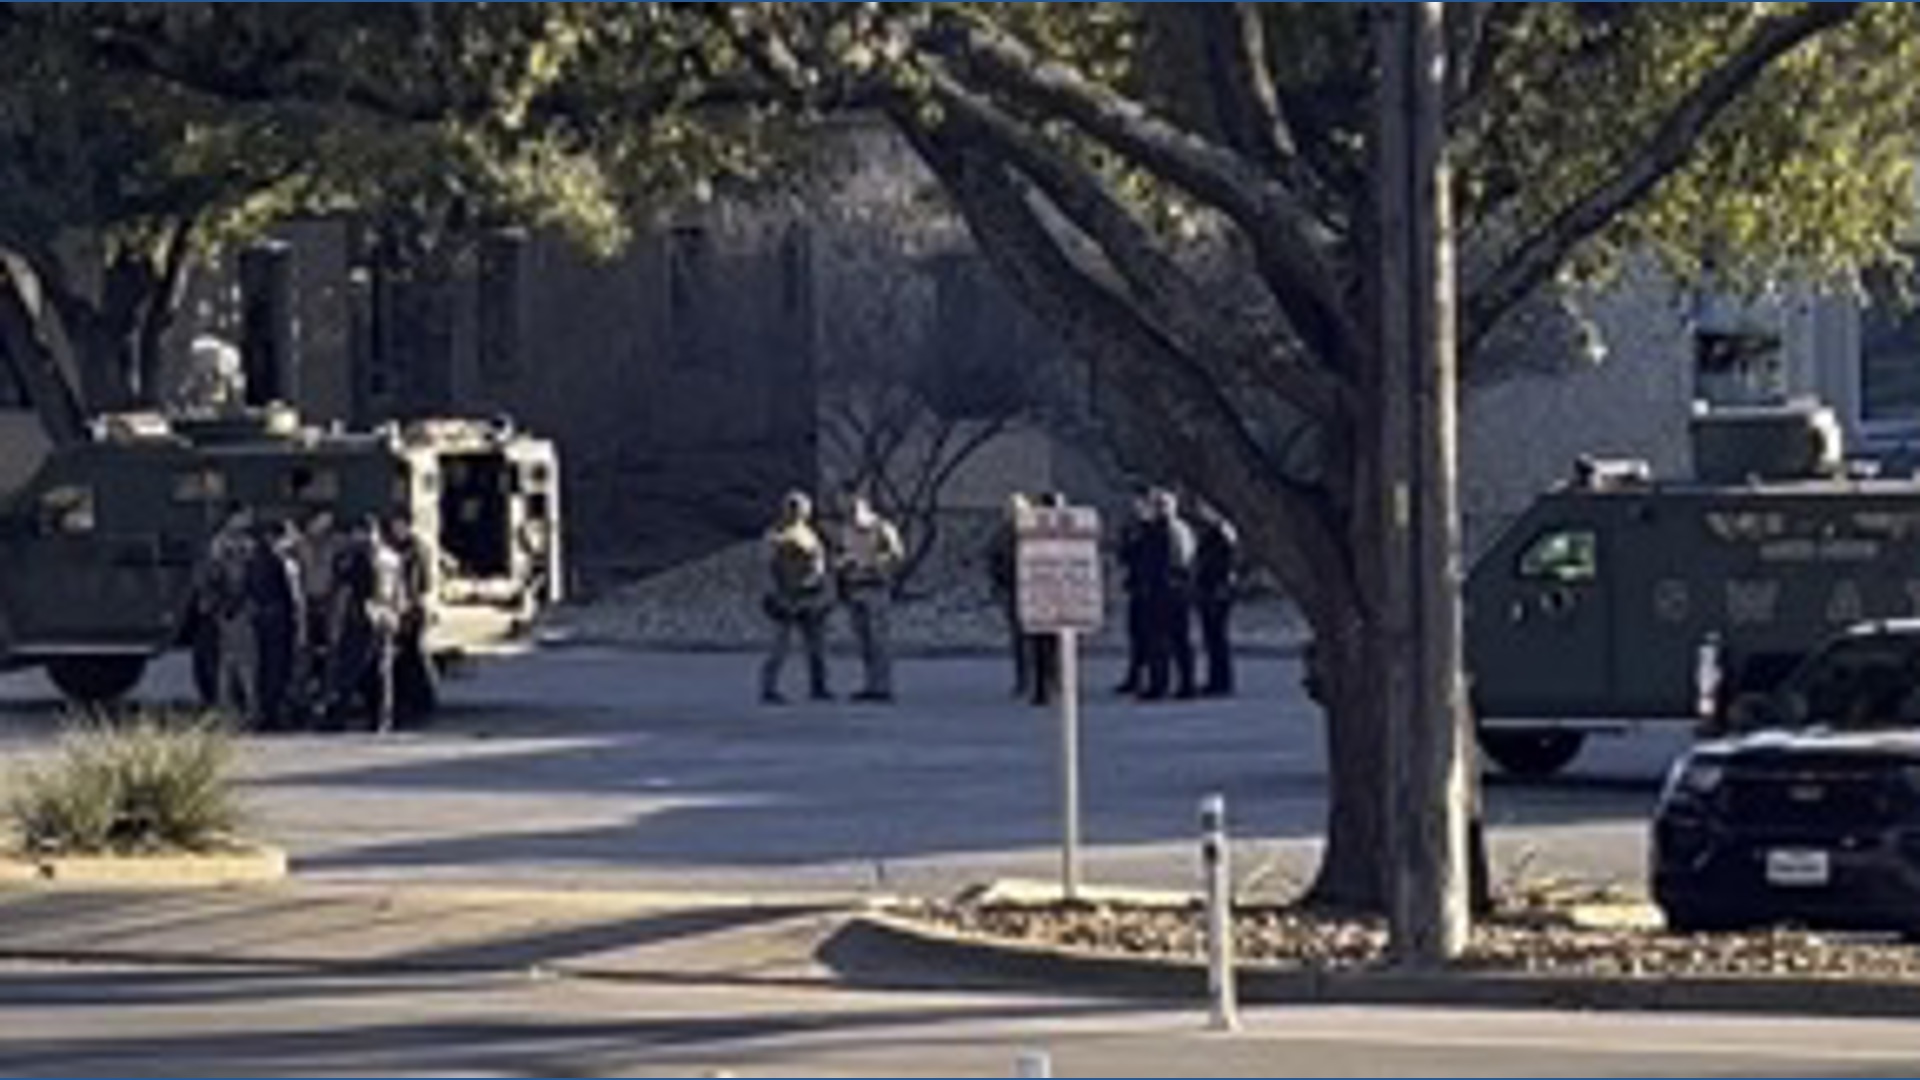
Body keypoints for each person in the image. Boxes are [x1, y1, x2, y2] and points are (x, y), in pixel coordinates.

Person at [326, 515, 405, 732]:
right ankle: (381, 719)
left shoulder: (356, 557)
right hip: (385, 615)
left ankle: (339, 717)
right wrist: (396, 614)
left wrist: (335, 623)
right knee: (381, 671)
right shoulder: (392, 558)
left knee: (349, 669)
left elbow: (344, 591)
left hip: (361, 616)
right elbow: (399, 591)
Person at [760, 491, 834, 705]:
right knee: (779, 647)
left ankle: (818, 686)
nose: (796, 512)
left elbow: (820, 567)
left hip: (809, 596)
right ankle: (769, 688)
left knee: (816, 647)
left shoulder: (811, 535)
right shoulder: (776, 535)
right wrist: (773, 594)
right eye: (793, 508)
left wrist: (822, 593)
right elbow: (768, 567)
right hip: (786, 596)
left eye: (799, 508)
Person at [837, 488, 905, 704]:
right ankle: (870, 684)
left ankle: (883, 686)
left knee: (879, 642)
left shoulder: (882, 528)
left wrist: (876, 564)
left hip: (876, 588)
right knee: (863, 642)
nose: (850, 513)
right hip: (855, 588)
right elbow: (843, 554)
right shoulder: (847, 530)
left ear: (865, 507)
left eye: (853, 508)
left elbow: (897, 555)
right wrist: (843, 566)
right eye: (847, 509)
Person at [245, 519, 306, 731]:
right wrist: (300, 623)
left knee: (264, 667)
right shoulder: (284, 563)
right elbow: (294, 597)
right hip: (282, 620)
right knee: (279, 669)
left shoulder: (254, 559)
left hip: (261, 619)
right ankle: (275, 714)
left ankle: (264, 712)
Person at [1138, 487, 1197, 701]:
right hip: (1176, 590)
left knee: (1160, 640)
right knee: (1178, 639)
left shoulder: (1161, 530)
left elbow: (1156, 561)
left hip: (1162, 591)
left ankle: (1160, 683)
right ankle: (1184, 683)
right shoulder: (1181, 529)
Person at [202, 506, 258, 721]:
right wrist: (233, 603)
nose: (248, 520)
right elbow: (231, 578)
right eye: (244, 516)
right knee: (243, 660)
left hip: (227, 609)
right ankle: (246, 709)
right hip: (235, 608)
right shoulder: (232, 544)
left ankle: (227, 708)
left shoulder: (219, 543)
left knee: (228, 660)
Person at [1191, 498, 1241, 697]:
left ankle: (1221, 681)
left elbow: (1222, 566)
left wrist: (1219, 588)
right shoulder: (1211, 535)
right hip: (1210, 590)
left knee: (1217, 638)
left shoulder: (1221, 537)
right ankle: (1217, 679)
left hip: (1216, 592)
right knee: (1213, 638)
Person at [987, 493, 1031, 699]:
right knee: (1019, 638)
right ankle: (1023, 678)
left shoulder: (1032, 533)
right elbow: (993, 561)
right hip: (1012, 588)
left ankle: (1041, 678)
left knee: (1036, 637)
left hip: (1032, 589)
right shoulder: (1001, 535)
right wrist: (997, 584)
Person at [1026, 492, 1069, 707]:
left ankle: (1050, 685)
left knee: (1051, 644)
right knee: (1045, 645)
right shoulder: (1036, 533)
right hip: (1042, 594)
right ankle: (1047, 685)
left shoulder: (1064, 533)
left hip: (1054, 595)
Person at [1113, 488, 1153, 696]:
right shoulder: (1133, 528)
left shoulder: (1152, 529)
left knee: (1148, 636)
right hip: (1138, 586)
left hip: (1150, 589)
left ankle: (1147, 676)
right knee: (1136, 634)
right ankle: (1135, 674)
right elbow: (1125, 555)